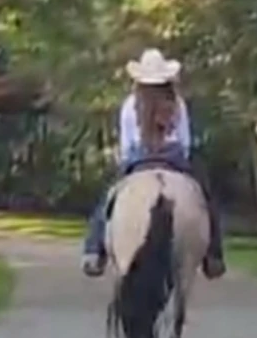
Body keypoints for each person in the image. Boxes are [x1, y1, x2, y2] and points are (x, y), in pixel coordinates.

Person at [81, 48, 226, 279]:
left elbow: (127, 144)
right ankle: (214, 256)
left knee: (108, 198)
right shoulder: (177, 104)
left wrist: (130, 162)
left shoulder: (130, 104)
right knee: (206, 197)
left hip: (139, 157)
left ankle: (94, 251)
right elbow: (185, 142)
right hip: (174, 157)